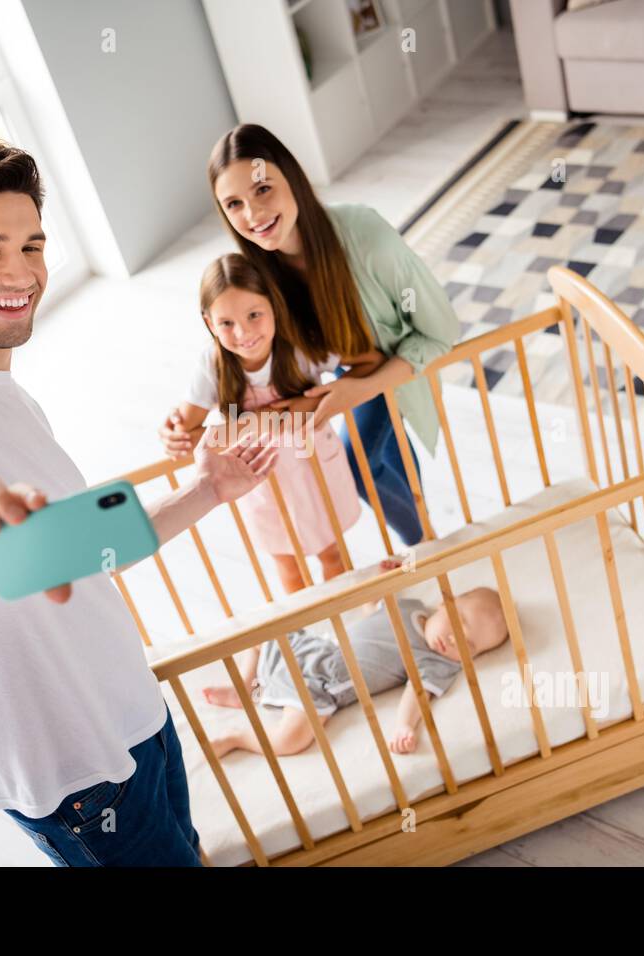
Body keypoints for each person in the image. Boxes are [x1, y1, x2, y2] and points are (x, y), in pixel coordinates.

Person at [0, 140, 278, 867]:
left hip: (134, 709)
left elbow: (80, 545)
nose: (20, 273)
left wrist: (206, 490)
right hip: (77, 778)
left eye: (31, 245)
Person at [160, 123, 462, 548]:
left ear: (293, 178)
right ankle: (424, 534)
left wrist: (352, 391)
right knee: (381, 459)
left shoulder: (366, 236)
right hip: (343, 369)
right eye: (234, 203)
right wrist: (184, 420)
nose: (254, 215)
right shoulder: (260, 273)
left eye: (264, 190)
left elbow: (439, 333)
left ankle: (424, 543)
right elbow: (242, 345)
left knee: (364, 462)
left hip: (390, 363)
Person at [174, 253, 384, 706]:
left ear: (274, 307)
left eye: (254, 315)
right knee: (287, 565)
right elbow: (189, 430)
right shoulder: (214, 367)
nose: (244, 332)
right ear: (209, 323)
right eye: (227, 323)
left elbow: (367, 361)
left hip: (314, 468)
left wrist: (323, 398)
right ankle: (303, 648)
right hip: (262, 479)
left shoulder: (301, 346)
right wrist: (178, 432)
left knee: (332, 553)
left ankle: (354, 642)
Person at [207, 559, 509, 758]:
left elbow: (417, 693)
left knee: (292, 738)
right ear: (446, 603)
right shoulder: (411, 607)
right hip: (312, 649)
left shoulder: (437, 661)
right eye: (459, 625)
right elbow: (372, 611)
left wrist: (405, 725)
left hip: (320, 686)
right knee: (265, 634)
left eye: (469, 646)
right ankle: (245, 687)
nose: (454, 641)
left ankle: (237, 738)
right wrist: (381, 583)